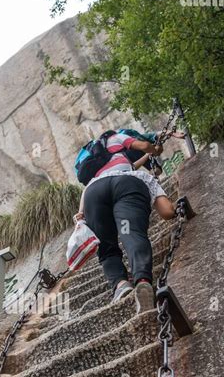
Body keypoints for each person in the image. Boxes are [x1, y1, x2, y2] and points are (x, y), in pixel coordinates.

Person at [74, 132, 176, 313]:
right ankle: (142, 281)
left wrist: (81, 213)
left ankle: (121, 284)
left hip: (93, 193)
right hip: (128, 185)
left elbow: (89, 187)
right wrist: (155, 150)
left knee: (106, 247)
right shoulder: (117, 139)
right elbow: (167, 212)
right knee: (132, 234)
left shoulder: (97, 166)